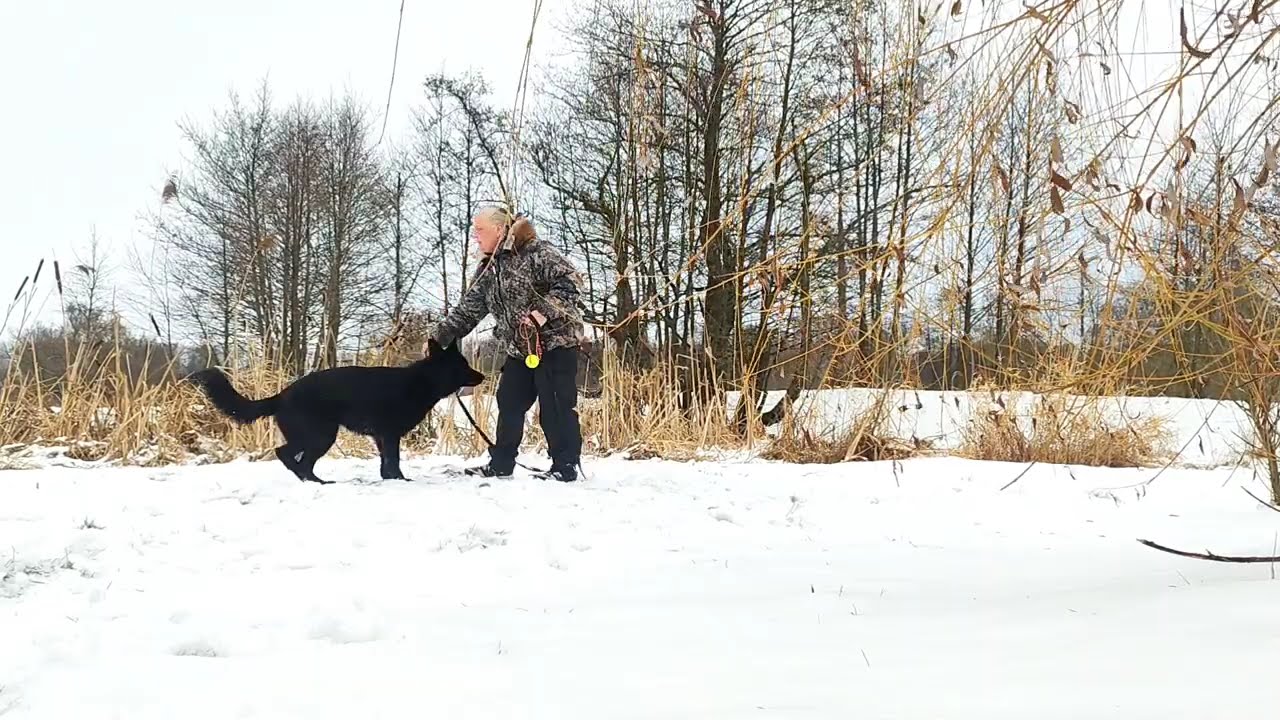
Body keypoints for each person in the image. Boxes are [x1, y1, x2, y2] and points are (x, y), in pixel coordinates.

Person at [424, 206, 585, 482]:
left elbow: (572, 282)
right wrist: (439, 337)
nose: (475, 236)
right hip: (518, 349)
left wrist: (541, 313)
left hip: (557, 343)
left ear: (499, 230)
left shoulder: (536, 253)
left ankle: (565, 465)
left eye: (480, 230)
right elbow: (468, 310)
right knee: (509, 402)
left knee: (555, 407)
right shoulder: (488, 269)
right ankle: (501, 464)